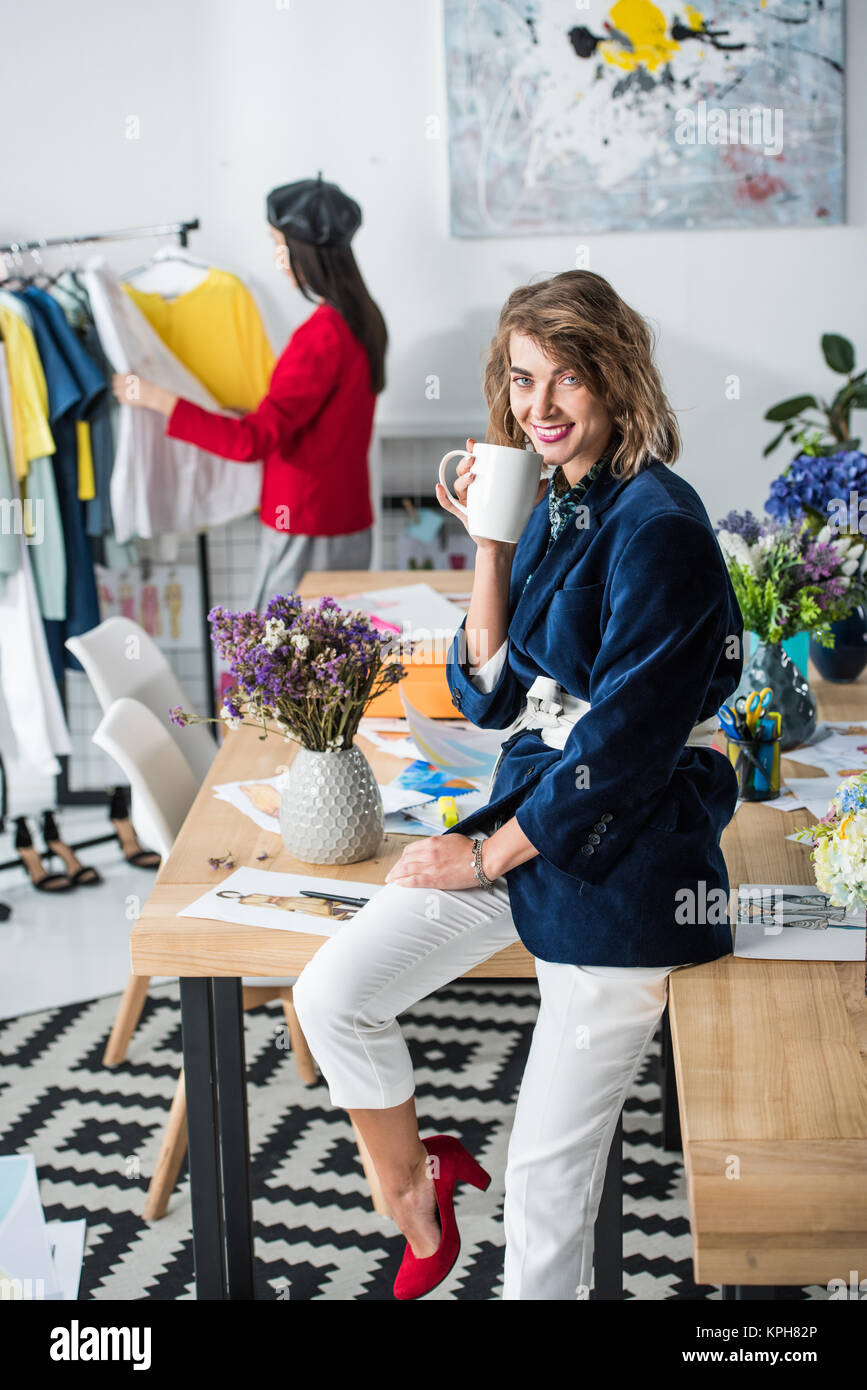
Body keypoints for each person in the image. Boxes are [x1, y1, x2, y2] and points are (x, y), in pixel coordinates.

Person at [290, 269, 744, 1302]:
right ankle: (416, 1190)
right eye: (520, 378)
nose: (537, 407)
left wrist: (484, 852)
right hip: (533, 815)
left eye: (566, 380)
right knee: (332, 993)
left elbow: (628, 745)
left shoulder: (659, 525)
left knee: (544, 1190)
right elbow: (488, 695)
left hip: (623, 854)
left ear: (618, 382)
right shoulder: (556, 506)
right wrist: (491, 543)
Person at [112, 173, 387, 610]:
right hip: (346, 521)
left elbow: (251, 442)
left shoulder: (321, 335)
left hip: (305, 525)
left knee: (274, 663)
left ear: (303, 252)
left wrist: (157, 399)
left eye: (279, 245)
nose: (277, 259)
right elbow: (314, 419)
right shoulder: (363, 320)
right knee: (330, 662)